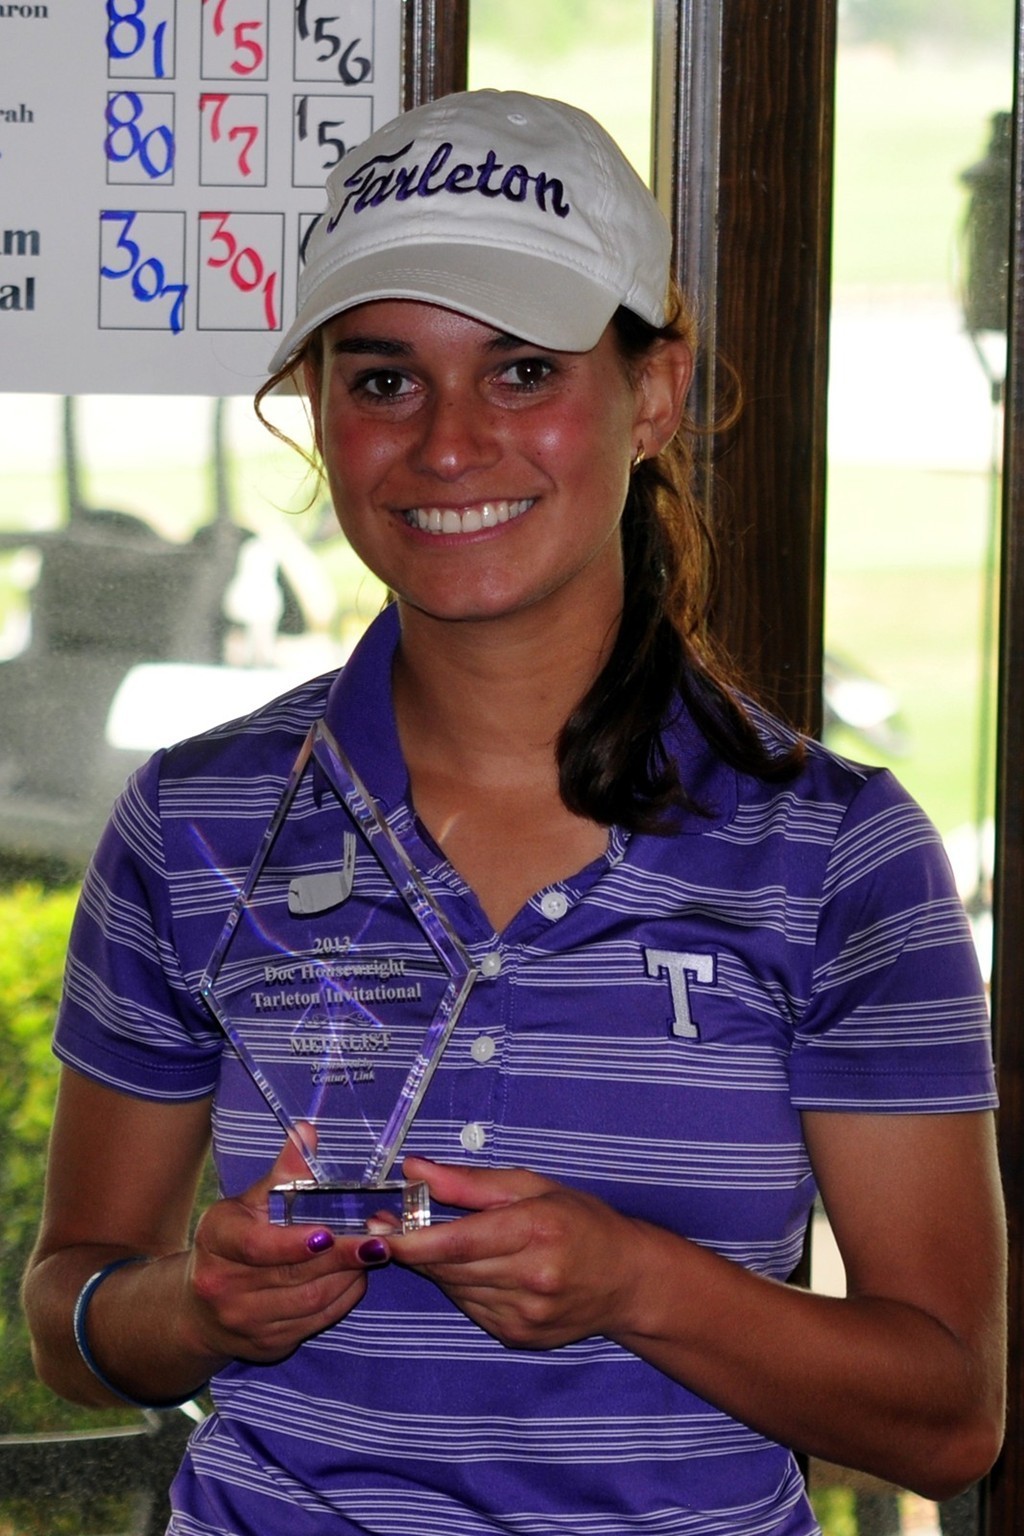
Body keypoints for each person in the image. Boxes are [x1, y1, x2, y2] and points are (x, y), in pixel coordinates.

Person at [23, 89, 1005, 1536]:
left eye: (524, 370)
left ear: (653, 393)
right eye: (382, 380)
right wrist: (200, 1304)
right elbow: (72, 1317)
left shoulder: (837, 854)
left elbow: (952, 1414)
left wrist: (633, 1281)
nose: (446, 442)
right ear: (317, 410)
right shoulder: (195, 821)